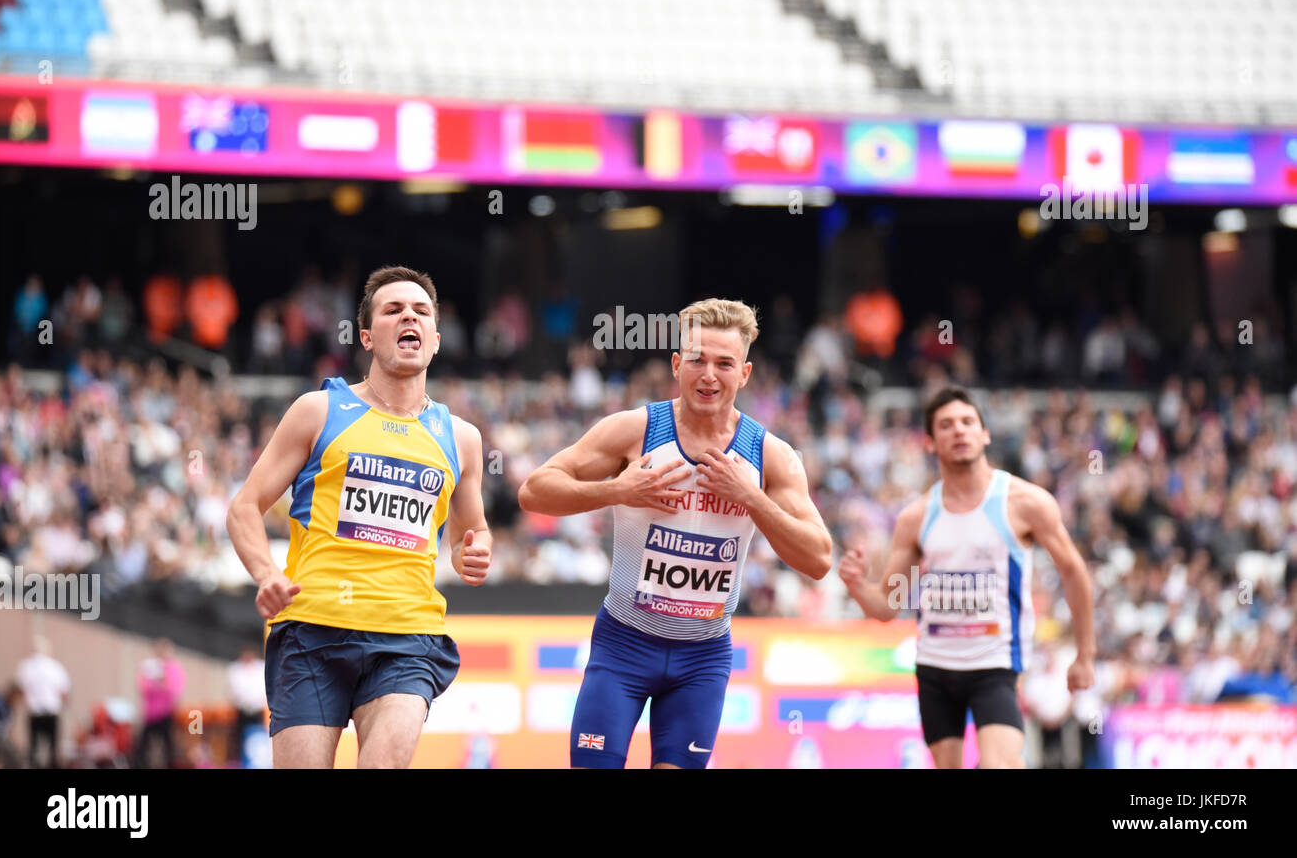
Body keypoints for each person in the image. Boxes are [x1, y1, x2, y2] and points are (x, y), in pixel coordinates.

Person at [519, 298, 831, 768]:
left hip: (702, 658)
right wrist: (617, 490)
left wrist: (751, 497)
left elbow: (818, 558)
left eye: (724, 363)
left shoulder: (770, 456)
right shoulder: (635, 430)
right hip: (625, 641)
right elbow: (534, 491)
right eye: (697, 360)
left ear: (744, 373)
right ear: (676, 365)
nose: (709, 375)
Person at [226, 266, 493, 769]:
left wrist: (474, 554)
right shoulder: (319, 411)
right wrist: (266, 574)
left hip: (407, 637)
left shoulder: (462, 438)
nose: (408, 317)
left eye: (421, 312)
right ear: (367, 337)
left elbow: (470, 537)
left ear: (435, 340)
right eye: (393, 310)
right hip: (311, 630)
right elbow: (244, 506)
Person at [839, 386, 1096, 768]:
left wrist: (1085, 655)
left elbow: (1074, 572)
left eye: (967, 422)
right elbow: (888, 606)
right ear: (929, 442)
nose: (959, 431)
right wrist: (859, 586)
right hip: (936, 667)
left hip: (994, 664)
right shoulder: (917, 517)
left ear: (985, 434)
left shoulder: (1025, 503)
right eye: (946, 425)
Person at [14, 636, 69, 768]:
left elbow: (21, 690)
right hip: (51, 713)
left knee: (34, 749)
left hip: (35, 713)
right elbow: (64, 692)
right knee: (53, 750)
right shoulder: (55, 667)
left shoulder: (26, 666)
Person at [134, 638, 185, 768]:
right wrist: (158, 686)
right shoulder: (149, 666)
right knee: (142, 746)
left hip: (166, 713)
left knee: (169, 746)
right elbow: (143, 687)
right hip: (151, 714)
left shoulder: (174, 667)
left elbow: (174, 690)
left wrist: (162, 684)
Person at [226, 645, 267, 766]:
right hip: (241, 711)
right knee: (240, 740)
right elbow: (233, 691)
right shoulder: (235, 669)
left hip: (259, 711)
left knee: (257, 739)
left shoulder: (261, 668)